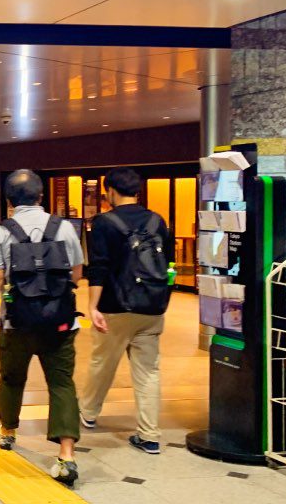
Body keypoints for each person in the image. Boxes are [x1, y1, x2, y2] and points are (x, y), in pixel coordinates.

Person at [0, 169, 83, 488]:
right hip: (60, 322)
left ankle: (7, 431)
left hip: (17, 322)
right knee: (62, 383)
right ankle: (66, 455)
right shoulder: (63, 227)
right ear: (41, 197)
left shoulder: (0, 232)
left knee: (11, 378)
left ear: (9, 201)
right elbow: (76, 273)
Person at [80, 167, 175, 455]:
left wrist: (92, 305)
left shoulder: (104, 223)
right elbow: (168, 264)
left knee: (103, 362)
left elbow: (99, 268)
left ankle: (89, 412)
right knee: (148, 370)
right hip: (152, 306)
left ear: (110, 191)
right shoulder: (157, 220)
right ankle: (149, 435)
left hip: (116, 306)